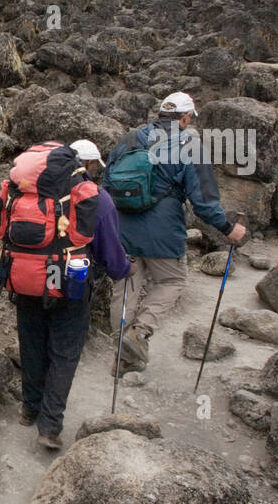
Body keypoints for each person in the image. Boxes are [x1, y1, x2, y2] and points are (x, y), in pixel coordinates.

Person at [0, 140, 131, 450]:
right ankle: (49, 426)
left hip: (27, 280)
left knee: (32, 344)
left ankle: (30, 409)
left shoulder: (24, 192)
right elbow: (109, 253)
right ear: (89, 165)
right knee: (64, 353)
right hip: (71, 285)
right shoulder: (96, 198)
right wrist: (125, 270)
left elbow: (1, 231)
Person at [102, 92, 247, 373]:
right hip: (164, 232)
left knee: (126, 285)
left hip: (123, 229)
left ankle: (122, 354)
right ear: (185, 117)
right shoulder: (189, 144)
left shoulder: (130, 138)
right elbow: (203, 201)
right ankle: (140, 333)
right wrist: (227, 228)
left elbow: (107, 184)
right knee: (172, 282)